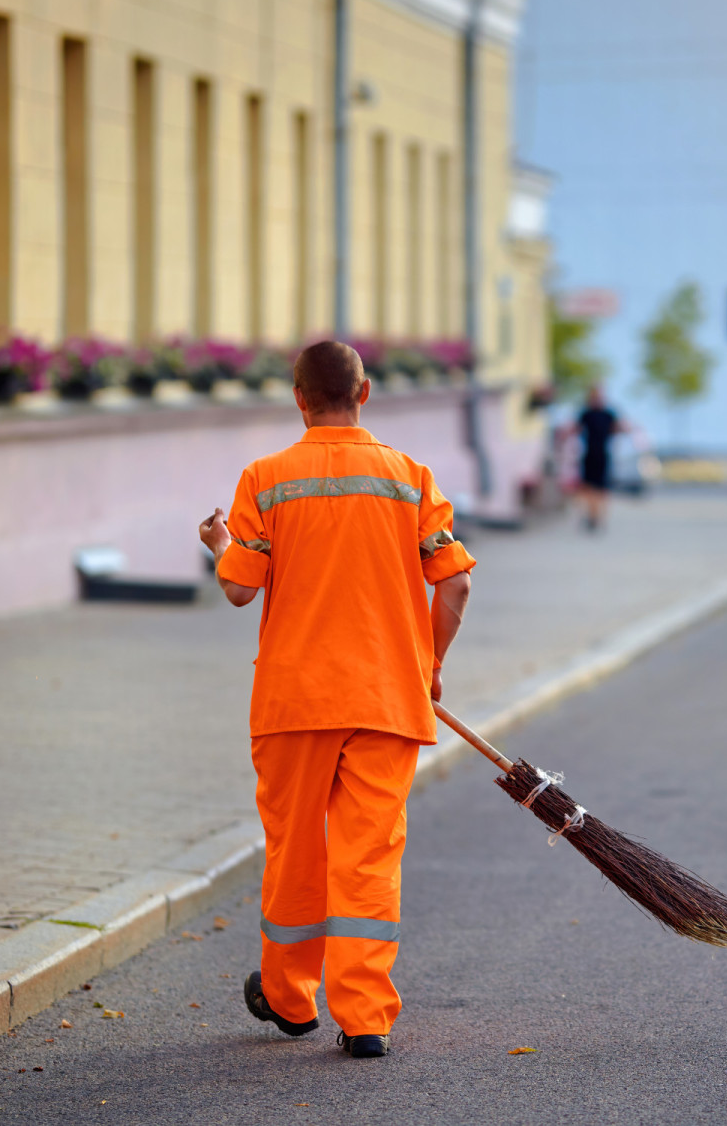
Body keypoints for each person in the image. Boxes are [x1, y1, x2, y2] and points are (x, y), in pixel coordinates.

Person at [196, 340, 476, 1060]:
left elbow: (238, 589)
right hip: (386, 697)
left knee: (295, 853)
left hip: (294, 700)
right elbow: (456, 585)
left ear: (297, 397)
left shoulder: (265, 478)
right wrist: (430, 664)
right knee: (369, 858)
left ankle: (291, 1001)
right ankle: (365, 1016)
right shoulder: (410, 478)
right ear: (366, 392)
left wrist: (220, 542)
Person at [570, 384, 625, 532]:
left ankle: (597, 517)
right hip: (590, 455)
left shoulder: (608, 414)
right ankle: (592, 515)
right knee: (587, 488)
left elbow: (619, 429)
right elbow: (576, 429)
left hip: (601, 455)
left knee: (600, 490)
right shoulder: (586, 414)